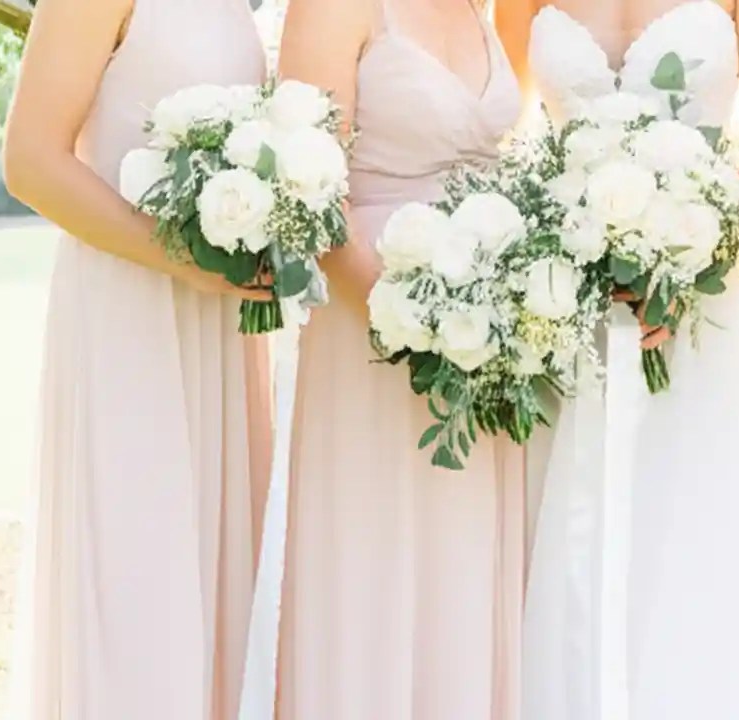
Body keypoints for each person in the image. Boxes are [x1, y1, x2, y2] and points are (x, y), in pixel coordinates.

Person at [498, 2, 739, 718]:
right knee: (565, 538)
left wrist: (686, 256)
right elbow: (502, 132)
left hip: (705, 299)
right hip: (561, 302)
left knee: (698, 541)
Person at [2, 0, 272, 716]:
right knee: (138, 570)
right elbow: (29, 160)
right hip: (130, 311)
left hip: (218, 322)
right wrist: (180, 258)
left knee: (214, 582)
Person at [270, 1, 525, 718]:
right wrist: (418, 322)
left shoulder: (479, 8)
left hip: (487, 354)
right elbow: (310, 197)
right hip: (371, 341)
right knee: (371, 571)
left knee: (463, 577)